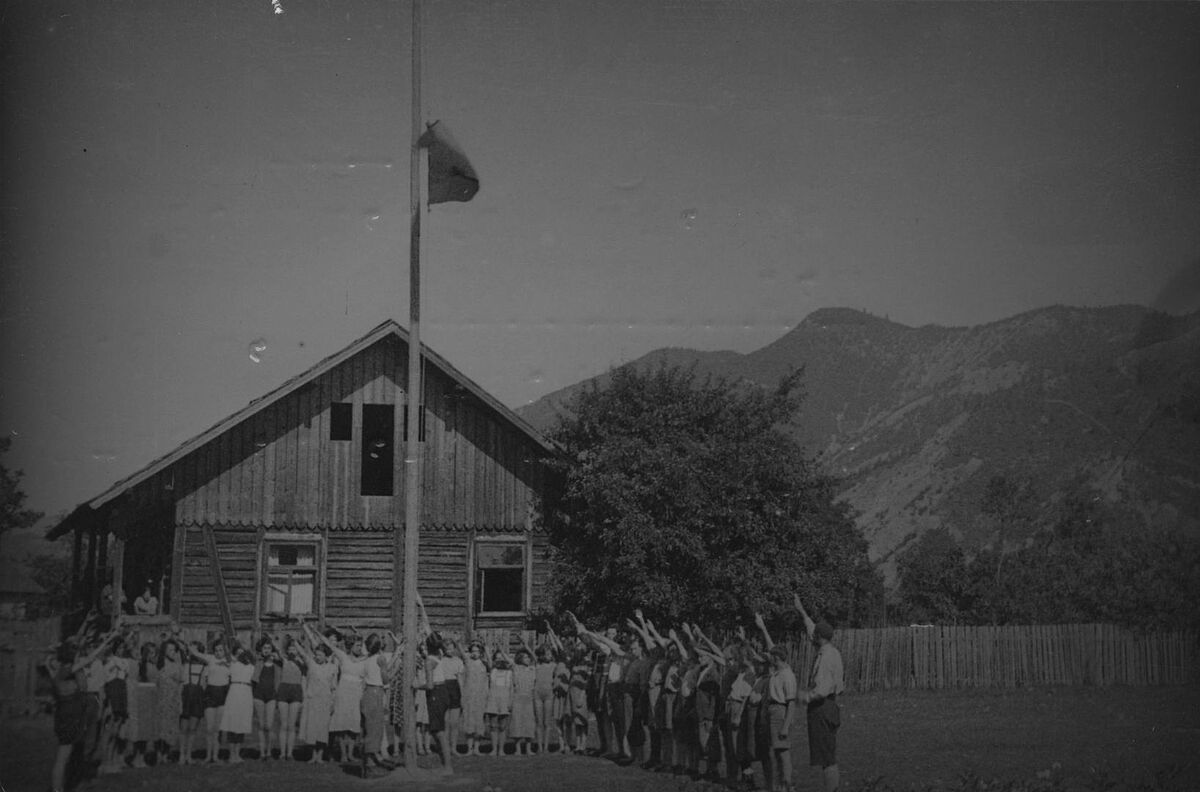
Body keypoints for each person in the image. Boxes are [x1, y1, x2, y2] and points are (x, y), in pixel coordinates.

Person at [794, 594, 844, 792]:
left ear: (819, 638)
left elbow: (821, 690)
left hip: (822, 708)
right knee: (827, 755)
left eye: (814, 635)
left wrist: (804, 697)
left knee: (826, 758)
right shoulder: (832, 651)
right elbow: (812, 629)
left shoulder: (825, 659)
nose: (811, 636)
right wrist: (801, 610)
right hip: (829, 707)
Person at [296, 630, 337, 763]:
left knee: (322, 729)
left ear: (326, 656)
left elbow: (334, 687)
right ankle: (313, 756)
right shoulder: (311, 664)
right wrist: (294, 641)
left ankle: (320, 756)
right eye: (316, 655)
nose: (317, 657)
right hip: (312, 701)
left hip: (325, 702)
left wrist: (332, 703)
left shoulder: (332, 668)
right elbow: (302, 653)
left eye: (320, 655)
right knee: (312, 728)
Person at [218, 645, 256, 762]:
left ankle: (237, 754)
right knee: (232, 723)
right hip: (234, 691)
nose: (241, 655)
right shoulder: (232, 664)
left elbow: (252, 653)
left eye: (242, 653)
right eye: (238, 653)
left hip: (246, 692)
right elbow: (228, 654)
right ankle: (231, 754)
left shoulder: (251, 666)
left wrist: (243, 647)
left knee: (241, 723)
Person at [156, 636, 185, 763]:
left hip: (173, 699)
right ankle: (158, 754)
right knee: (160, 728)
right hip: (161, 699)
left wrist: (179, 701)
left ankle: (166, 754)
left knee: (171, 727)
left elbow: (180, 684)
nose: (173, 652)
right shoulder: (159, 663)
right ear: (165, 651)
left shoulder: (177, 665)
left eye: (174, 650)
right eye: (170, 650)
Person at [459, 640, 490, 756]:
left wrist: (486, 650)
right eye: (473, 651)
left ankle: (477, 748)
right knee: (469, 721)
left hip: (481, 696)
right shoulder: (468, 662)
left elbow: (490, 664)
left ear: (481, 653)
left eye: (477, 651)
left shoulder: (484, 664)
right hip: (469, 696)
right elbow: (462, 652)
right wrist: (458, 643)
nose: (475, 653)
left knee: (479, 722)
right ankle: (469, 748)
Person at [484, 647, 513, 756]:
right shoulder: (493, 670)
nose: (499, 661)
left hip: (505, 699)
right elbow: (489, 660)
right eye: (497, 659)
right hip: (493, 698)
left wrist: (502, 651)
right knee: (493, 725)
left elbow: (511, 689)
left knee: (503, 726)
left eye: (501, 658)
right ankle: (493, 749)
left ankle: (501, 749)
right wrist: (487, 649)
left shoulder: (510, 671)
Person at [509, 647, 537, 756]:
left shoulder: (532, 668)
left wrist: (526, 646)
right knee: (517, 723)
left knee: (529, 724)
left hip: (529, 698)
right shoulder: (516, 668)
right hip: (518, 698)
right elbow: (508, 659)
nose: (528, 659)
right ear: (520, 659)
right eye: (525, 657)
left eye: (528, 658)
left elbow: (534, 657)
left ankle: (528, 748)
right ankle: (518, 749)